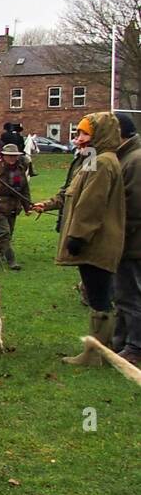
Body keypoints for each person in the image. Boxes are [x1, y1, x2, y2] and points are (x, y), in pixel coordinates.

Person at [33, 112, 126, 366]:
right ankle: (101, 350)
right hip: (95, 240)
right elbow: (73, 193)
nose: (78, 138)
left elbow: (92, 203)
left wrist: (78, 236)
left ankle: (96, 353)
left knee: (99, 296)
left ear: (99, 135)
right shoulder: (94, 159)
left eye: (84, 133)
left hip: (96, 242)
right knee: (98, 294)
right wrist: (49, 204)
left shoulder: (103, 162)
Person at [111, 113, 141, 364]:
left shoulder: (135, 160)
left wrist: (117, 235)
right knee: (122, 293)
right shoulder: (125, 158)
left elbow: (133, 208)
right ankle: (120, 342)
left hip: (133, 243)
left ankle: (136, 346)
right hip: (125, 241)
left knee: (131, 293)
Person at [0, 144, 30, 270]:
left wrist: (27, 206)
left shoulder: (20, 169)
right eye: (9, 156)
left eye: (14, 156)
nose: (12, 158)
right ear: (3, 156)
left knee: (7, 235)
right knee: (4, 232)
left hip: (13, 207)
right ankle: (11, 261)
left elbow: (24, 189)